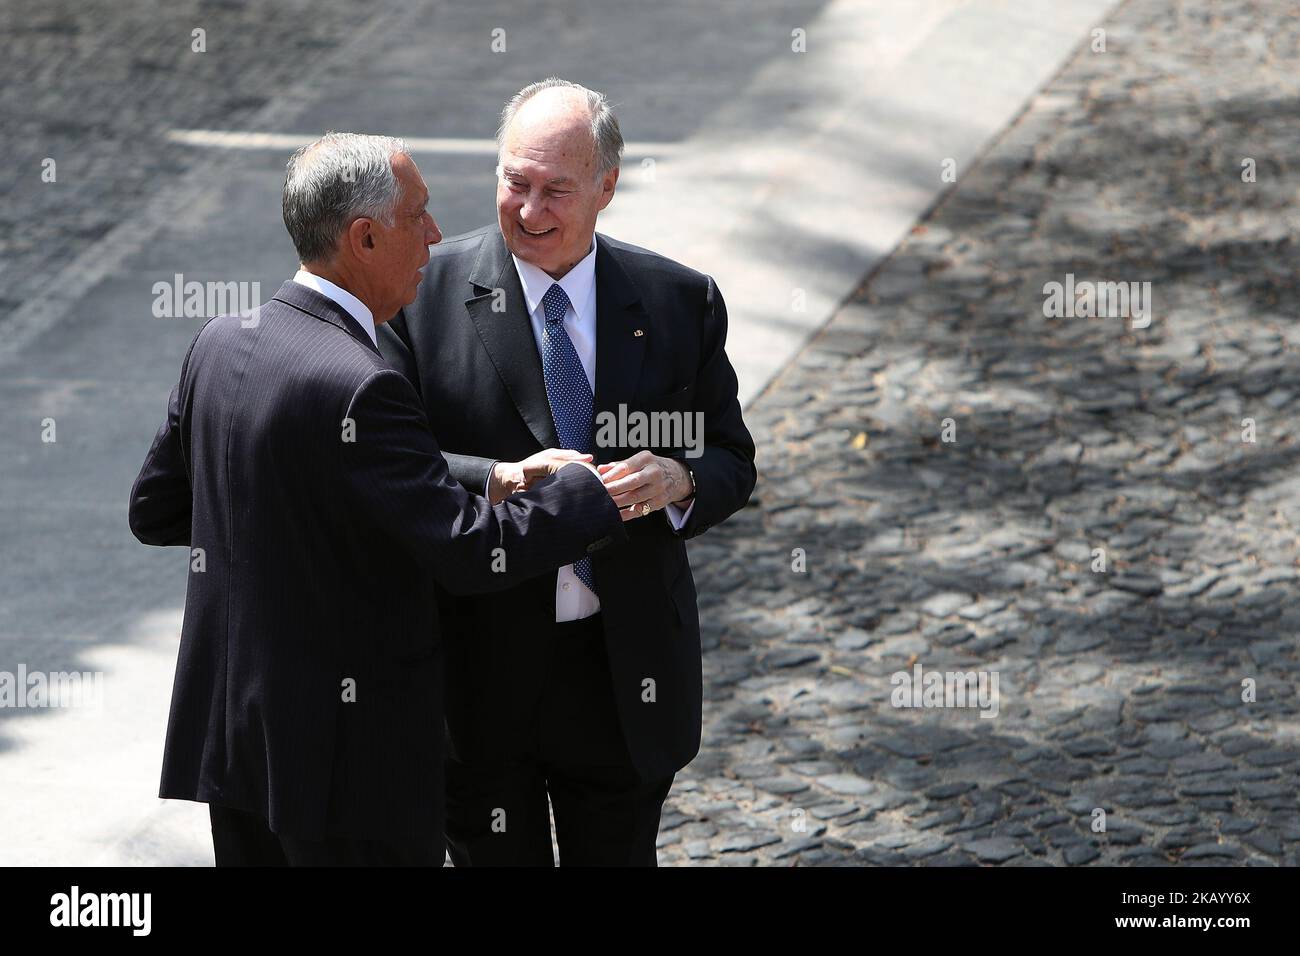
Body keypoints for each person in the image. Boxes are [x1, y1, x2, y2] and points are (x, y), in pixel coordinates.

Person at [128, 132, 625, 866]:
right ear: (364, 237)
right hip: (348, 764)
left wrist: (483, 477)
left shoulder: (222, 342)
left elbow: (160, 509)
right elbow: (468, 551)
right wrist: (591, 493)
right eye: (417, 215)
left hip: (236, 747)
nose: (433, 235)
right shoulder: (362, 382)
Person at [379, 79, 757, 866]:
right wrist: (501, 476)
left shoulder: (678, 300)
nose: (530, 210)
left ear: (606, 189)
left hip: (621, 674)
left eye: (557, 190)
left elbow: (730, 456)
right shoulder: (420, 296)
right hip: (478, 672)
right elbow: (392, 462)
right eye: (515, 182)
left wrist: (679, 482)